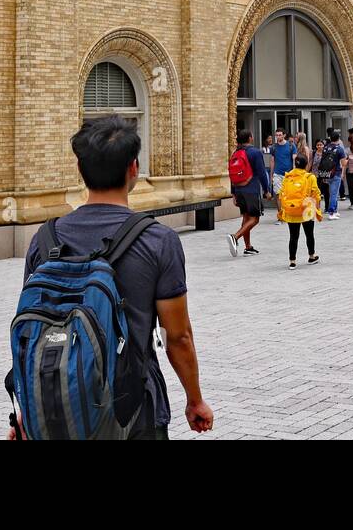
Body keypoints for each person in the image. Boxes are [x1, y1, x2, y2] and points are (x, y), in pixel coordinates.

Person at [19, 116, 213, 438]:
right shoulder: (157, 240)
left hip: (59, 410)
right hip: (132, 407)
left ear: (80, 170)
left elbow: (31, 330)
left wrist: (27, 414)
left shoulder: (44, 239)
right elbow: (177, 337)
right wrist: (195, 400)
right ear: (133, 168)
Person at [226, 129, 271, 257]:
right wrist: (267, 190)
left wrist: (233, 193)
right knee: (255, 219)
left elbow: (231, 174)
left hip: (239, 189)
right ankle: (235, 237)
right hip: (251, 190)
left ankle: (248, 247)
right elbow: (262, 173)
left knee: (246, 218)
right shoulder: (255, 152)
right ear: (250, 138)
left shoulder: (236, 152)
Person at [278, 155, 322, 269]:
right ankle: (311, 256)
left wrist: (282, 210)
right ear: (306, 165)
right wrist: (318, 209)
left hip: (291, 209)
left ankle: (292, 261)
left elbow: (281, 194)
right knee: (309, 234)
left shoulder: (288, 176)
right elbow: (316, 194)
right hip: (306, 209)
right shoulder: (310, 177)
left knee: (293, 236)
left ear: (295, 165)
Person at [317, 129, 347, 219]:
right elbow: (343, 163)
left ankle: (335, 210)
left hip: (327, 173)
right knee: (334, 193)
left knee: (333, 192)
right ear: (338, 139)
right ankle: (331, 213)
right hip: (336, 172)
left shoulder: (325, 148)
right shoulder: (340, 149)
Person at [269, 129, 295, 199]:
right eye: (276, 135)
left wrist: (294, 174)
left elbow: (294, 161)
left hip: (289, 174)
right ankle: (280, 210)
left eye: (280, 135)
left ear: (284, 135)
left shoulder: (291, 146)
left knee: (288, 195)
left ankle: (286, 210)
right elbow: (272, 161)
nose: (278, 137)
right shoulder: (273, 147)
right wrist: (271, 176)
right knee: (278, 195)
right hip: (277, 174)